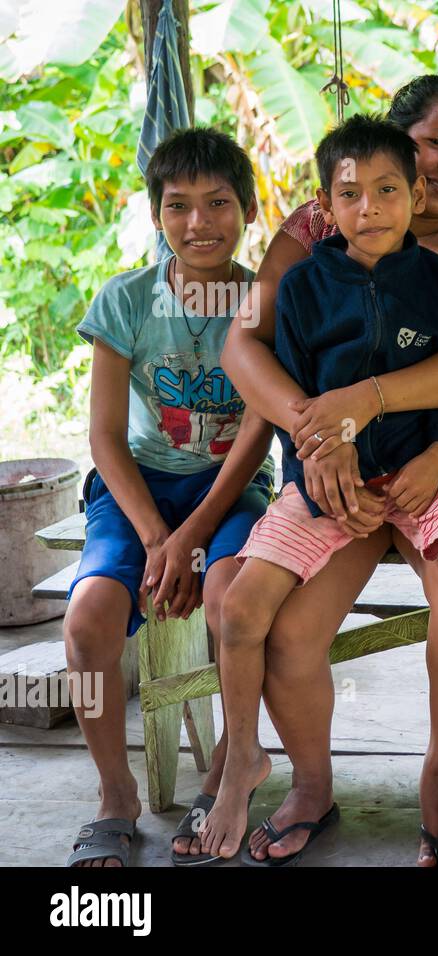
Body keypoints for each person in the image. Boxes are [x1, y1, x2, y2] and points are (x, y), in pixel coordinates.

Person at [216, 75, 438, 867]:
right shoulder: (316, 229)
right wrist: (324, 433)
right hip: (325, 449)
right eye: (435, 144)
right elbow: (248, 344)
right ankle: (310, 784)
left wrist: (376, 404)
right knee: (283, 625)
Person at [63, 128, 273, 866]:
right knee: (87, 623)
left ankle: (228, 771)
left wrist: (192, 536)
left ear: (249, 209)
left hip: (231, 490)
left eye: (218, 203)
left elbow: (256, 436)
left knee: (231, 602)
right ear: (156, 215)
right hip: (137, 492)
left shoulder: (263, 301)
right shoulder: (125, 302)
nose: (198, 223)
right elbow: (106, 440)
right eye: (178, 205)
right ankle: (115, 796)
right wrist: (158, 537)